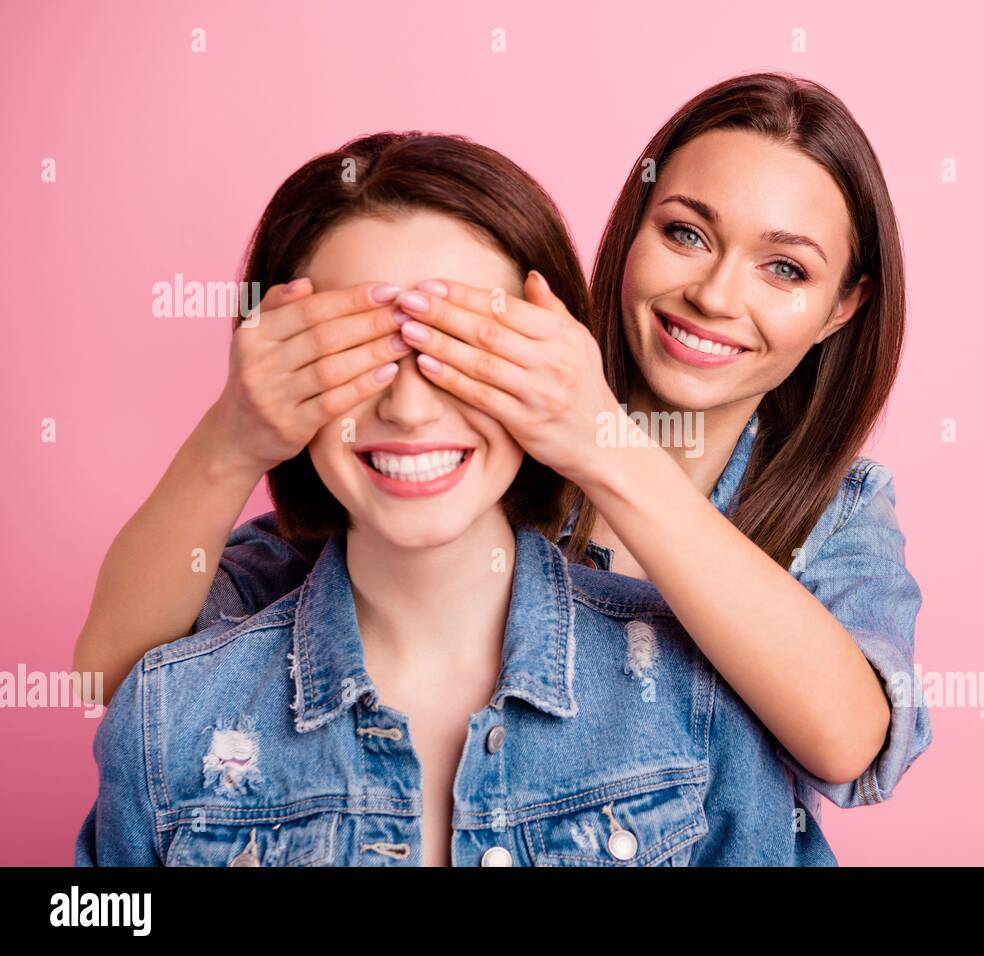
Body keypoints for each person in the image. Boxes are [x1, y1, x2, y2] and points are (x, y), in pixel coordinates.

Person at [75, 72, 930, 823]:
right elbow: (125, 688)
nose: (712, 293)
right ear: (630, 232)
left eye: (786, 269)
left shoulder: (842, 510)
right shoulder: (469, 447)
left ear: (843, 307)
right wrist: (232, 437)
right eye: (685, 233)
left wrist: (601, 444)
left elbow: (849, 739)